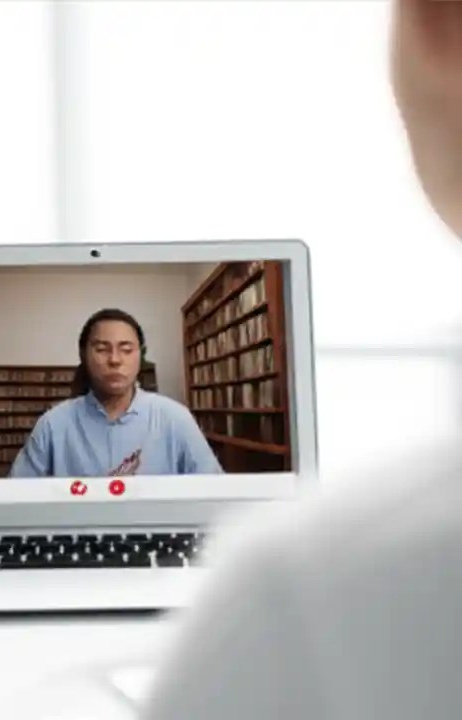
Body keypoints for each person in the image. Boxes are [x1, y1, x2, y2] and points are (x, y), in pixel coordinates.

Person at [142, 1, 462, 717]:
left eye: (124, 345)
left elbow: (210, 479)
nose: (114, 357)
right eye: (101, 348)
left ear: (436, 25)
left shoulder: (309, 606)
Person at [8, 308, 222, 478]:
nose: (115, 360)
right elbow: (15, 498)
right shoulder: (53, 424)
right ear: (83, 355)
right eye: (101, 349)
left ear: (141, 356)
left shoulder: (175, 418)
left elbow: (215, 493)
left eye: (126, 350)